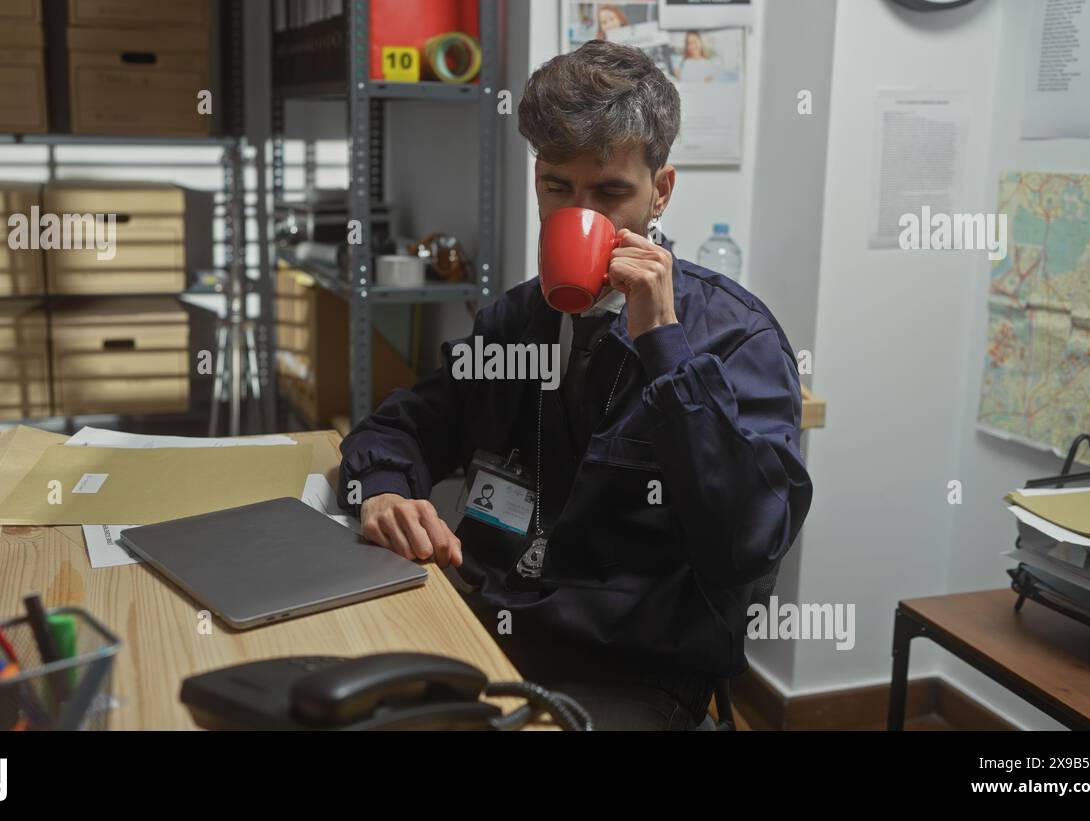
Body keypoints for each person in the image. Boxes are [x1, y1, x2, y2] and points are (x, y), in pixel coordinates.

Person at [336, 40, 812, 730]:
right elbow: (403, 425)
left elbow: (746, 542)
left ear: (661, 191)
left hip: (630, 667)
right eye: (557, 188)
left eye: (610, 193)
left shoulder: (736, 338)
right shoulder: (515, 320)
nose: (578, 213)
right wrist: (382, 490)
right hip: (490, 622)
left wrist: (664, 347)